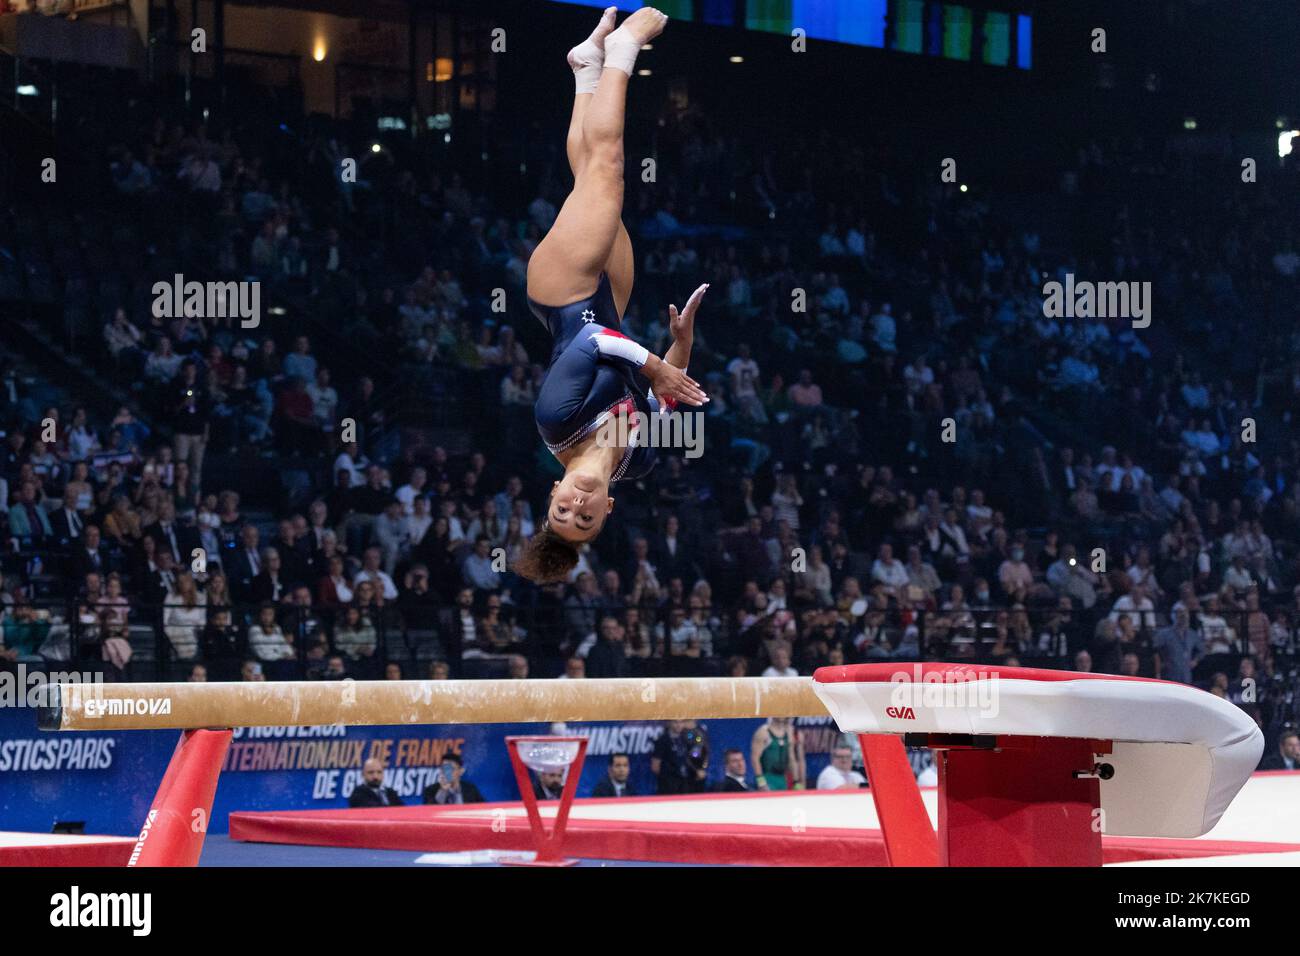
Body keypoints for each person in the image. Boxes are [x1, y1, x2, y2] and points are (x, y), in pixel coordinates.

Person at [514, 7, 709, 584]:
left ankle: (624, 49)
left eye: (561, 510)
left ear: (553, 491)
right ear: (607, 512)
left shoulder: (555, 421)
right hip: (610, 299)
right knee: (592, 179)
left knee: (609, 169)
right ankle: (586, 70)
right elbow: (663, 401)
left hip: (563, 293)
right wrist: (680, 346)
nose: (576, 504)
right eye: (584, 518)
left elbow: (593, 343)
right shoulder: (637, 461)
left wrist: (655, 366)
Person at [751, 716, 804, 791]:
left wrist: (796, 781)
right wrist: (761, 781)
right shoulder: (763, 732)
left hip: (782, 779)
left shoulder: (788, 734)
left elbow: (791, 759)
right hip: (767, 778)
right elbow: (755, 758)